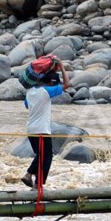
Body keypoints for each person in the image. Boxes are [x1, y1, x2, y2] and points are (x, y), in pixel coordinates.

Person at [21, 57, 68, 190]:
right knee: (47, 157)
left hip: (31, 130)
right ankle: (32, 179)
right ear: (48, 83)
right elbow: (67, 84)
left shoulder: (29, 92)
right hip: (41, 130)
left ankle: (33, 181)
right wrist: (62, 67)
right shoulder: (46, 92)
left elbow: (26, 105)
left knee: (41, 156)